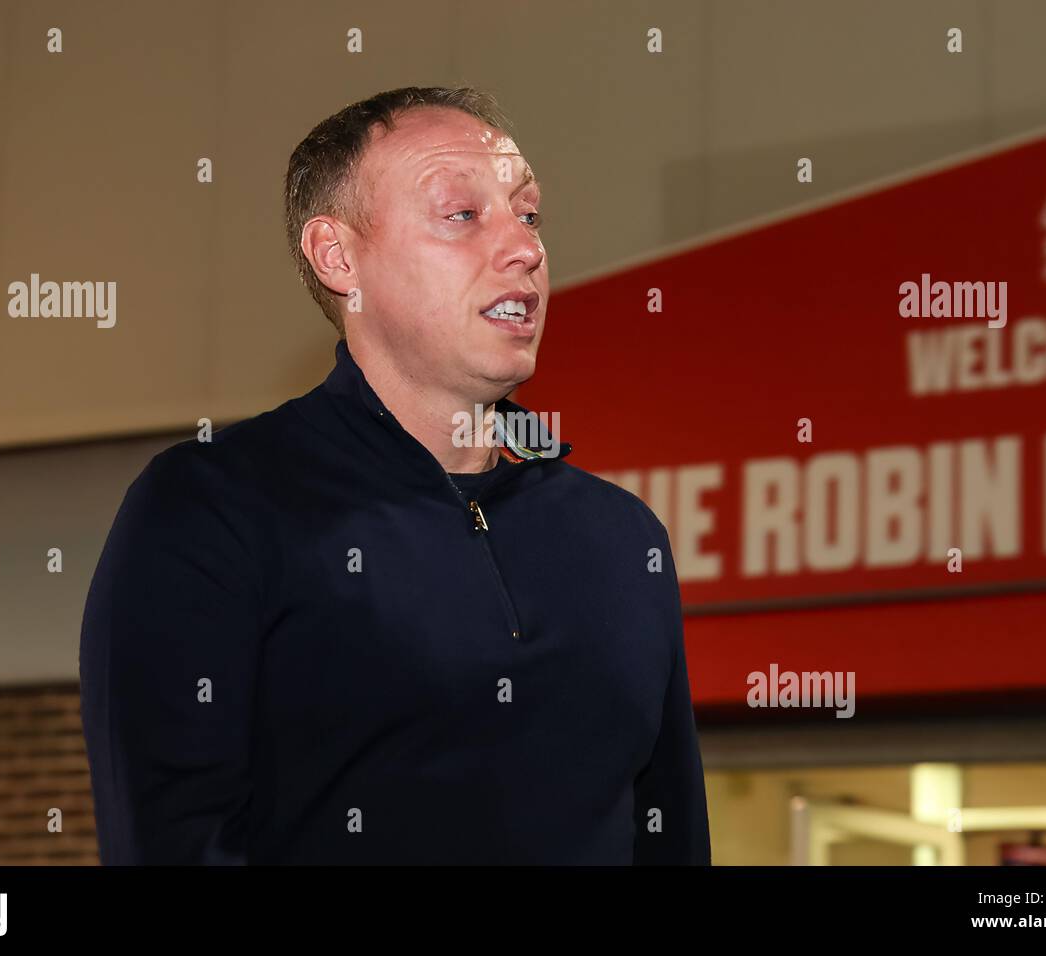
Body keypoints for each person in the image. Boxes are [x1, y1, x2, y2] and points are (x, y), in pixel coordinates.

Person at [79, 86, 710, 864]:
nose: (526, 248)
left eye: (529, 214)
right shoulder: (213, 510)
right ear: (339, 259)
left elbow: (671, 834)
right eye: (463, 214)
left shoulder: (621, 539)